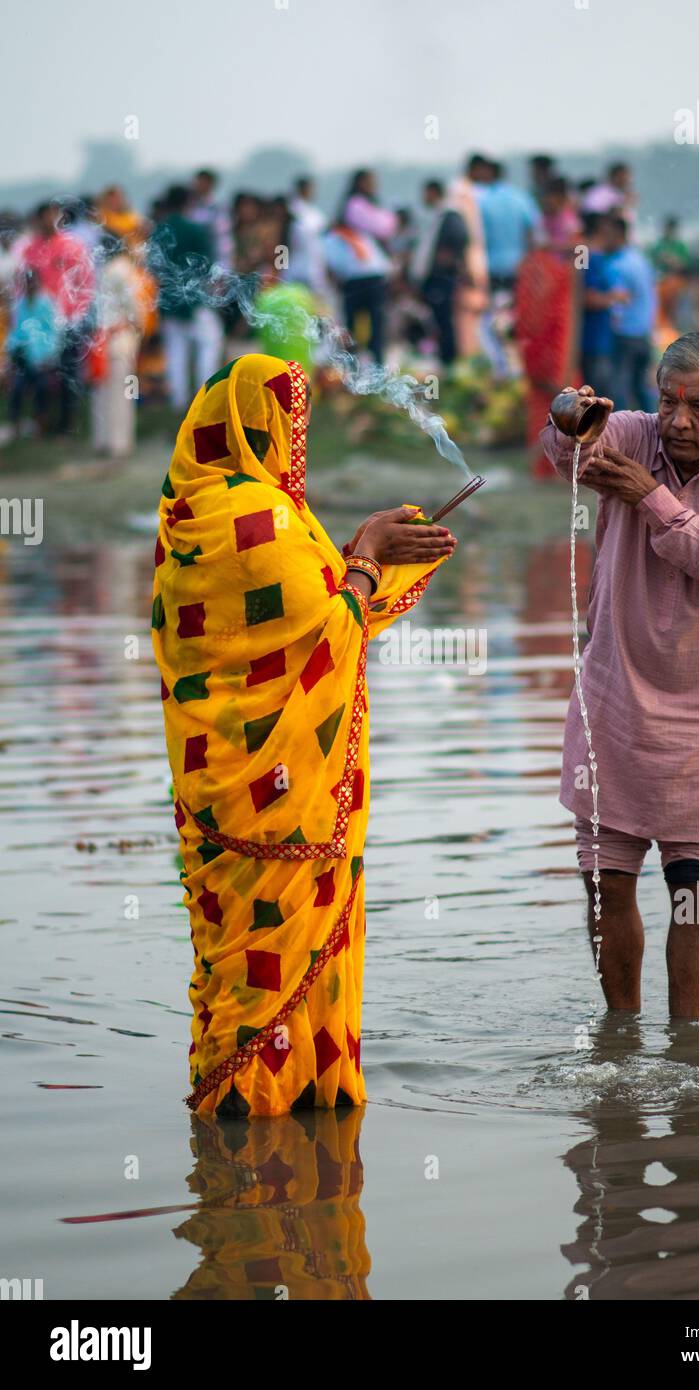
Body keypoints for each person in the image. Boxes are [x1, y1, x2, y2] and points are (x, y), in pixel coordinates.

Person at [151, 353, 457, 1115]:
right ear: (264, 425)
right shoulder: (265, 519)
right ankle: (261, 1107)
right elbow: (330, 620)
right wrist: (366, 558)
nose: (294, 441)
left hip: (222, 793)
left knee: (239, 966)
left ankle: (245, 1153)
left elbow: (314, 616)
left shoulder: (187, 513)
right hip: (284, 806)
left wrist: (366, 559)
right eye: (289, 422)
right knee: (274, 963)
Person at [540, 332, 699, 1018]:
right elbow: (564, 453)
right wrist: (570, 417)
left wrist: (652, 498)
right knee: (606, 889)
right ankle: (620, 1034)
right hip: (616, 701)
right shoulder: (630, 434)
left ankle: (687, 1047)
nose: (678, 421)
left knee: (693, 891)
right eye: (668, 402)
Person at [514, 177, 580, 473]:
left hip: (560, 313)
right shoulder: (541, 227)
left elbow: (577, 259)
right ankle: (541, 459)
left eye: (551, 198)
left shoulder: (570, 228)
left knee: (561, 384)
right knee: (540, 387)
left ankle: (564, 458)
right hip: (538, 320)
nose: (546, 204)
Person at [19, 201, 95, 432]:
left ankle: (68, 422)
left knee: (68, 373)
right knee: (39, 373)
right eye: (47, 215)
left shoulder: (73, 246)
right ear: (39, 219)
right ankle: (43, 422)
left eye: (56, 215)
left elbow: (85, 281)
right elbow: (23, 285)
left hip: (68, 319)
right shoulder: (30, 249)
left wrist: (78, 313)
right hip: (41, 323)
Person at [149, 184, 223, 409]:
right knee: (209, 344)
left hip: (170, 300)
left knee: (175, 353)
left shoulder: (159, 231)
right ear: (188, 203)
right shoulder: (195, 230)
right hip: (195, 300)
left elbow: (153, 268)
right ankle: (205, 397)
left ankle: (179, 401)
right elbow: (207, 266)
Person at [476, 160, 540, 375]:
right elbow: (533, 233)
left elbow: (475, 237)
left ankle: (501, 370)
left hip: (492, 271)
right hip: (519, 270)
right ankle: (519, 368)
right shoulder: (521, 198)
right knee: (516, 321)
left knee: (493, 323)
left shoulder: (482, 200)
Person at [91, 236, 145, 459]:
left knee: (102, 393)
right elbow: (135, 307)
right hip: (120, 338)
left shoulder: (104, 270)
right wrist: (141, 326)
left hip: (101, 340)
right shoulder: (124, 271)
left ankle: (102, 439)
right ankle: (120, 443)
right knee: (124, 393)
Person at [410, 180, 468, 367]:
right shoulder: (437, 215)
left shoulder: (449, 215)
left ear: (434, 192)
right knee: (438, 321)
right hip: (435, 278)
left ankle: (450, 361)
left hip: (441, 278)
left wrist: (448, 258)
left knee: (444, 321)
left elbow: (460, 237)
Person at [323, 206, 392, 366]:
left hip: (355, 282)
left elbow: (334, 266)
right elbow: (382, 262)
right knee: (375, 325)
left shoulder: (334, 237)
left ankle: (353, 368)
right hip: (375, 280)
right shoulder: (361, 234)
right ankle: (376, 364)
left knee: (352, 327)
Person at [606, 215, 657, 412]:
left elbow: (618, 300)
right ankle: (655, 428)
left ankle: (622, 434)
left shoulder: (617, 265)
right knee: (641, 387)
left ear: (618, 235)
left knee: (619, 387)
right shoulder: (640, 259)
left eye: (608, 235)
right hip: (643, 332)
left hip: (625, 332)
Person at [578, 213, 628, 400]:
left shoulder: (589, 254)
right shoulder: (587, 254)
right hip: (593, 341)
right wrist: (613, 298)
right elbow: (583, 296)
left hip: (600, 339)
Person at [5, 268, 59, 434]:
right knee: (17, 388)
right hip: (24, 357)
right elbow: (16, 331)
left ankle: (41, 423)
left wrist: (48, 356)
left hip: (42, 358)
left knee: (42, 387)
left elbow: (53, 331)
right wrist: (11, 353)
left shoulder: (45, 302)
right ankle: (16, 423)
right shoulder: (20, 304)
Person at [447, 153, 491, 358]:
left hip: (476, 263)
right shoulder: (461, 192)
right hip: (469, 266)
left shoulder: (473, 192)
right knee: (467, 323)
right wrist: (466, 266)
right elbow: (460, 234)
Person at [289, 176, 328, 295]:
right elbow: (282, 244)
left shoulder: (314, 212)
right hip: (295, 269)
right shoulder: (291, 211)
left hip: (314, 269)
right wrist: (281, 267)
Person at [188, 169, 234, 270]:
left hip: (211, 259)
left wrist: (223, 267)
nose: (199, 185)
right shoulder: (189, 207)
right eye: (198, 182)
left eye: (203, 182)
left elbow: (223, 239)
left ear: (211, 184)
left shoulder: (218, 208)